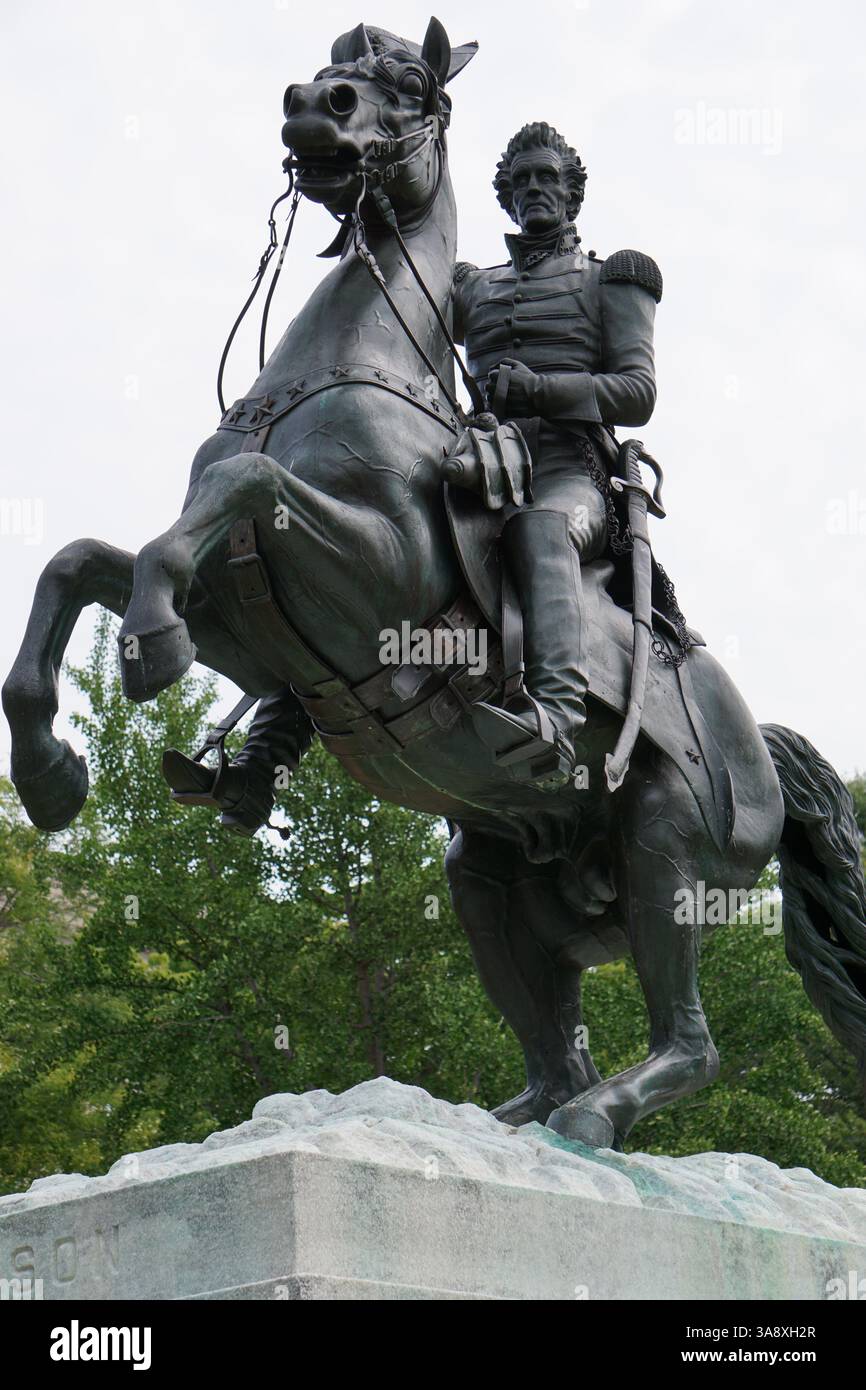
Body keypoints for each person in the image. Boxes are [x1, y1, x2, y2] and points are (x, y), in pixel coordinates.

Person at [452, 120, 662, 785]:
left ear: (573, 193)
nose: (534, 190)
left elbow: (637, 393)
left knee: (543, 527)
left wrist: (543, 389)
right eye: (521, 182)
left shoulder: (612, 280)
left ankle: (558, 716)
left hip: (574, 476)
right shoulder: (470, 287)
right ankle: (265, 750)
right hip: (478, 468)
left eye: (548, 178)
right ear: (506, 199)